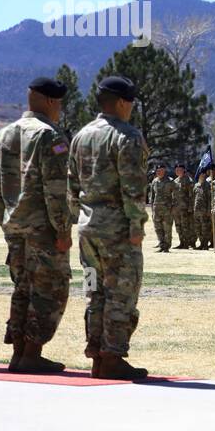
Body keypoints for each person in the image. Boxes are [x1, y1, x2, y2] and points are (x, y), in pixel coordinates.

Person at [67, 76, 150, 379]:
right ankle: (112, 355)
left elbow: (72, 185)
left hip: (87, 230)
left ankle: (96, 354)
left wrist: (75, 219)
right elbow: (133, 188)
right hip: (117, 230)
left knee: (94, 291)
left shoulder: (81, 136)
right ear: (122, 103)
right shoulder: (126, 137)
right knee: (121, 293)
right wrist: (137, 225)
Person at [0, 76, 73, 372]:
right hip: (43, 228)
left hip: (15, 225)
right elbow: (56, 189)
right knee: (49, 289)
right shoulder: (50, 136)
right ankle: (32, 352)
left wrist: (4, 220)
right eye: (59, 103)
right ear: (51, 102)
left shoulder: (4, 134)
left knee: (22, 287)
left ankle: (19, 352)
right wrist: (63, 229)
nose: (60, 109)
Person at [146, 164, 175, 252]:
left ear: (164, 171)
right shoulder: (154, 181)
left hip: (167, 209)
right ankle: (161, 245)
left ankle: (166, 246)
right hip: (156, 209)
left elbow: (175, 195)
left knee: (167, 228)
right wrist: (152, 208)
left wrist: (173, 207)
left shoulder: (170, 181)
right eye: (158, 171)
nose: (159, 172)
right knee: (158, 228)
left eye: (161, 170)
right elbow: (152, 196)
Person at [173, 164, 194, 249]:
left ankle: (186, 243)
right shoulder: (175, 181)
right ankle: (181, 242)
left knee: (185, 226)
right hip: (176, 208)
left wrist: (190, 207)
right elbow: (173, 195)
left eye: (180, 169)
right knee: (178, 226)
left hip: (185, 208)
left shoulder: (188, 180)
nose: (178, 171)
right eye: (176, 170)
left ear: (183, 170)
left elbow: (191, 195)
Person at [193, 165, 212, 250]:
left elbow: (209, 199)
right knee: (198, 228)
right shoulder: (196, 186)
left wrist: (208, 210)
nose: (202, 177)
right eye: (201, 175)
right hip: (196, 211)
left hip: (204, 211)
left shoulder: (208, 186)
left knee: (205, 228)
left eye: (204, 175)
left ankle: (205, 244)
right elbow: (193, 198)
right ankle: (201, 243)